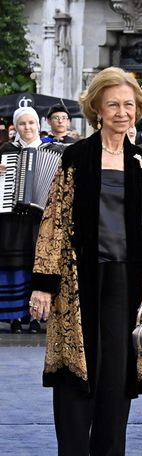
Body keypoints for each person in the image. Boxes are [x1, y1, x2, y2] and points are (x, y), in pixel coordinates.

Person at [28, 67, 142, 456]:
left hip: (126, 282)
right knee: (74, 372)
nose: (123, 112)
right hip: (75, 282)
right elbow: (53, 220)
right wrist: (44, 282)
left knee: (115, 374)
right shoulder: (76, 157)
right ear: (97, 110)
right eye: (114, 105)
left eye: (129, 105)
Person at [0, 107, 63, 334]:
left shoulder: (55, 151)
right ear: (16, 127)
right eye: (22, 124)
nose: (27, 128)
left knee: (37, 265)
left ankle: (37, 317)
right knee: (13, 266)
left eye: (31, 123)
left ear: (38, 125)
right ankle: (14, 317)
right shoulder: (7, 150)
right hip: (12, 220)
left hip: (41, 220)